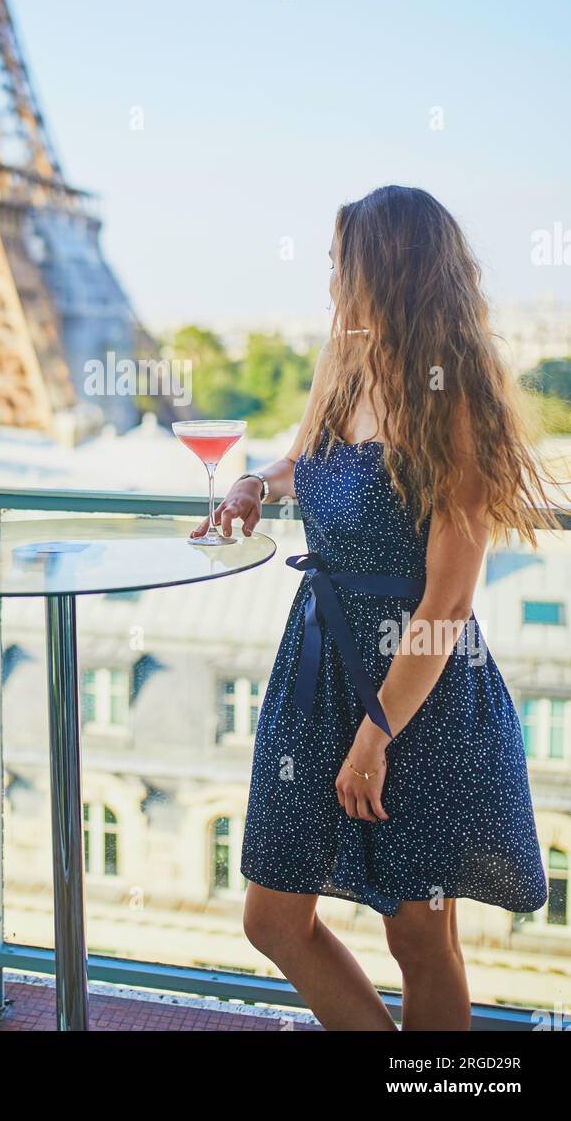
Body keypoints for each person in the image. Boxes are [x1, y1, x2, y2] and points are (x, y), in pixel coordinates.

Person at [192, 185, 565, 1031]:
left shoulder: (456, 400)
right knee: (272, 920)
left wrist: (377, 735)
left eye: (339, 265)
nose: (328, 282)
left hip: (417, 692)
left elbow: (449, 601)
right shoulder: (342, 364)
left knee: (421, 941)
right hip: (319, 665)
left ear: (383, 271)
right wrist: (253, 482)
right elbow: (299, 466)